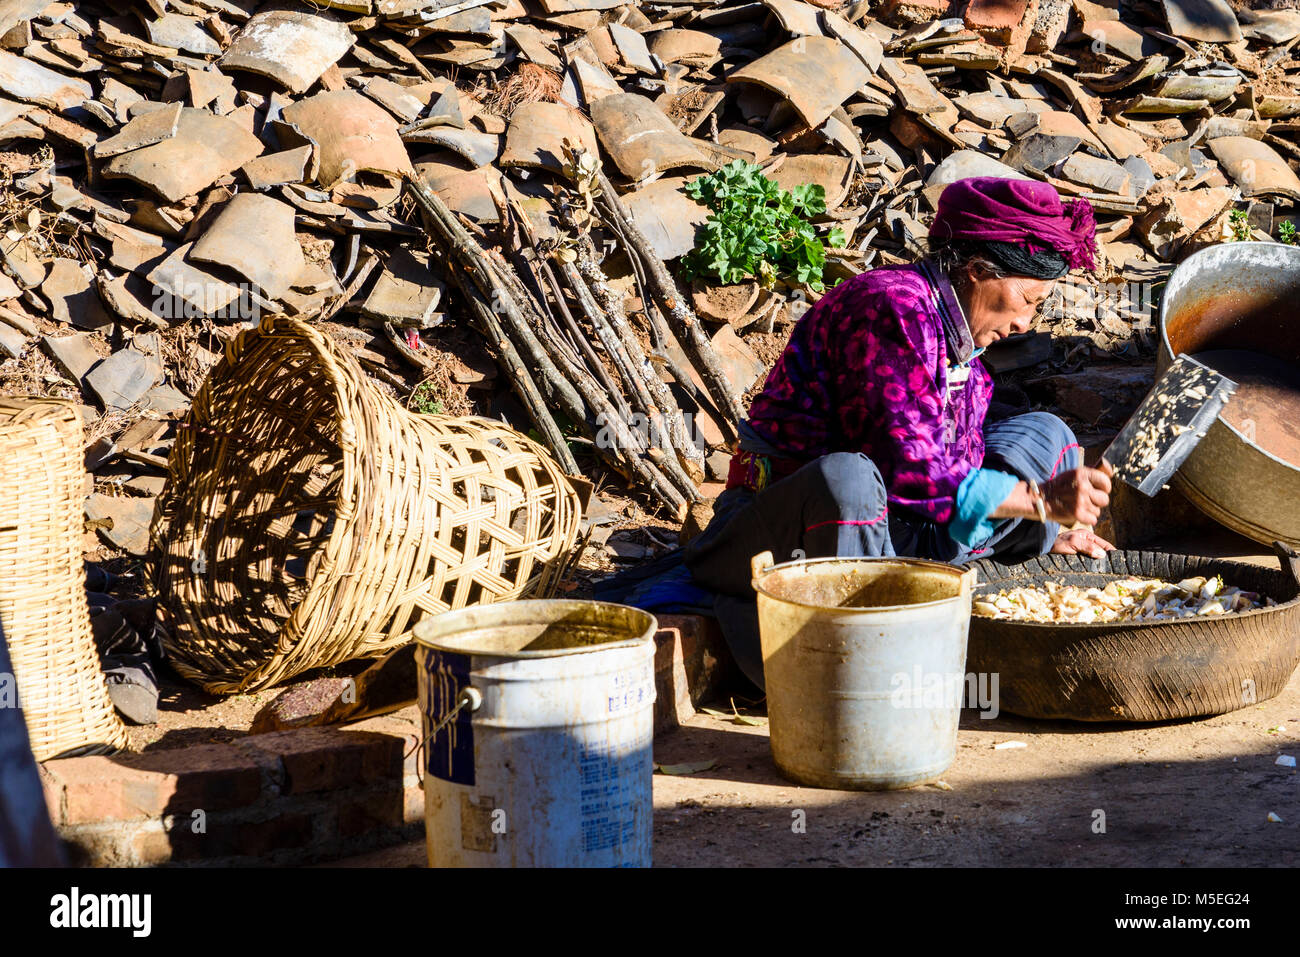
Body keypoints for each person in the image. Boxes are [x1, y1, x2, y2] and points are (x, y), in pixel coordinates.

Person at [598, 176, 1115, 689]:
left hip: (902, 527)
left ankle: (955, 556)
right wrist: (1033, 501)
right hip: (800, 529)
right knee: (848, 478)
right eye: (1026, 299)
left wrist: (1035, 512)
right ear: (978, 272)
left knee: (1044, 433)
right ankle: (860, 661)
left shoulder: (963, 344)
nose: (1028, 321)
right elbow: (911, 470)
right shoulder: (888, 308)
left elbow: (955, 459)